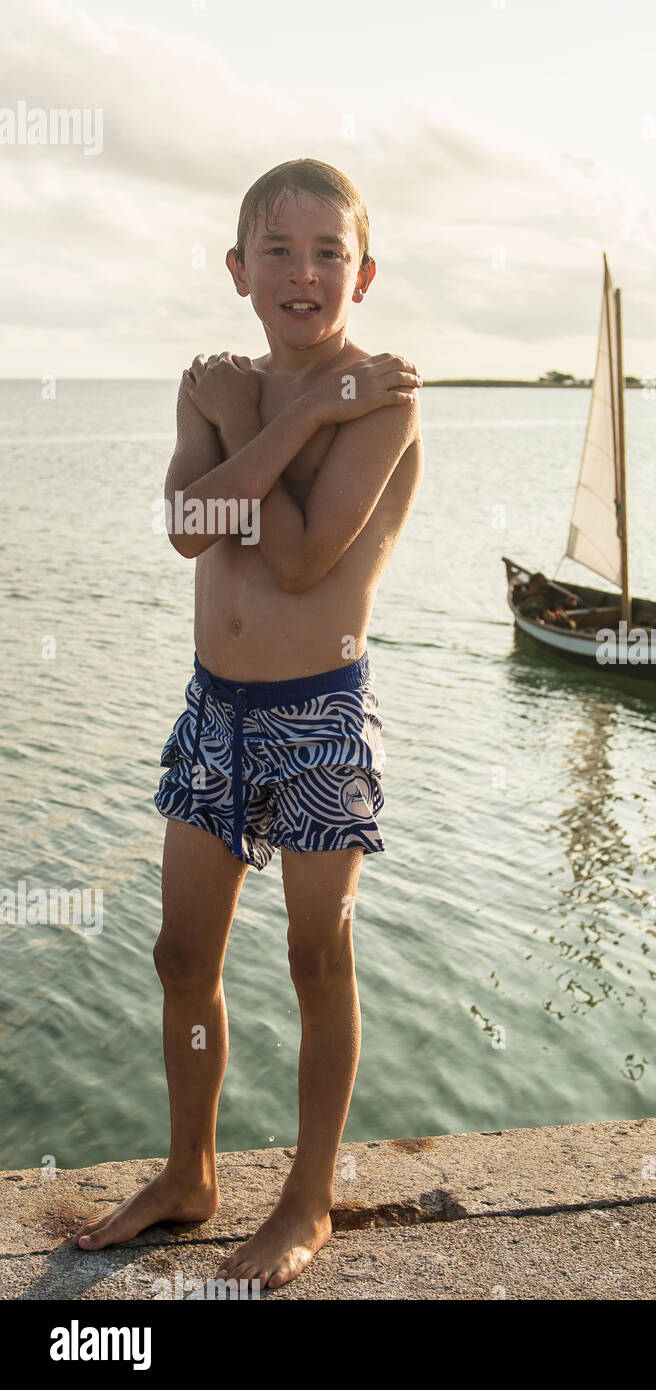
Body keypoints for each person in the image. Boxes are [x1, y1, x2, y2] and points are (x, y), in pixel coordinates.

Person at [73, 158, 423, 1291]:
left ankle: (308, 1200)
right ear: (239, 269)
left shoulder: (381, 396)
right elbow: (188, 525)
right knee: (184, 957)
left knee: (316, 955)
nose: (303, 272)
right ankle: (189, 1173)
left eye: (328, 253)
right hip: (212, 710)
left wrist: (295, 412)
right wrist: (256, 414)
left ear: (362, 274)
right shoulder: (214, 385)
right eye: (278, 250)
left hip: (316, 713)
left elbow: (301, 552)